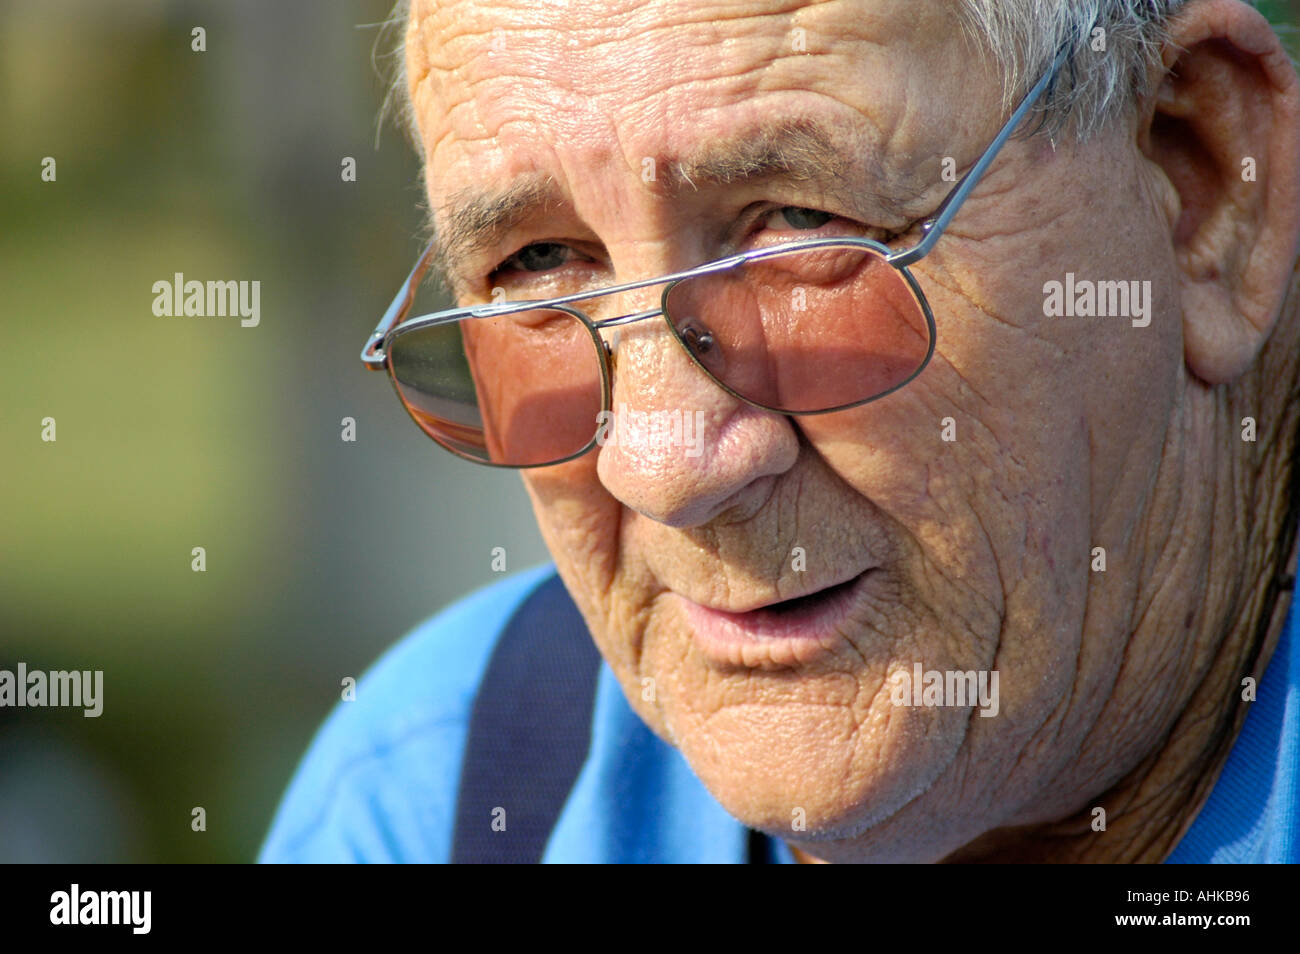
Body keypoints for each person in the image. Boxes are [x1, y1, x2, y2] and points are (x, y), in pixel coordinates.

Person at [260, 0, 1300, 863]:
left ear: (1201, 190)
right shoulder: (445, 796)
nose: (660, 465)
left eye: (802, 225)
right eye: (535, 263)